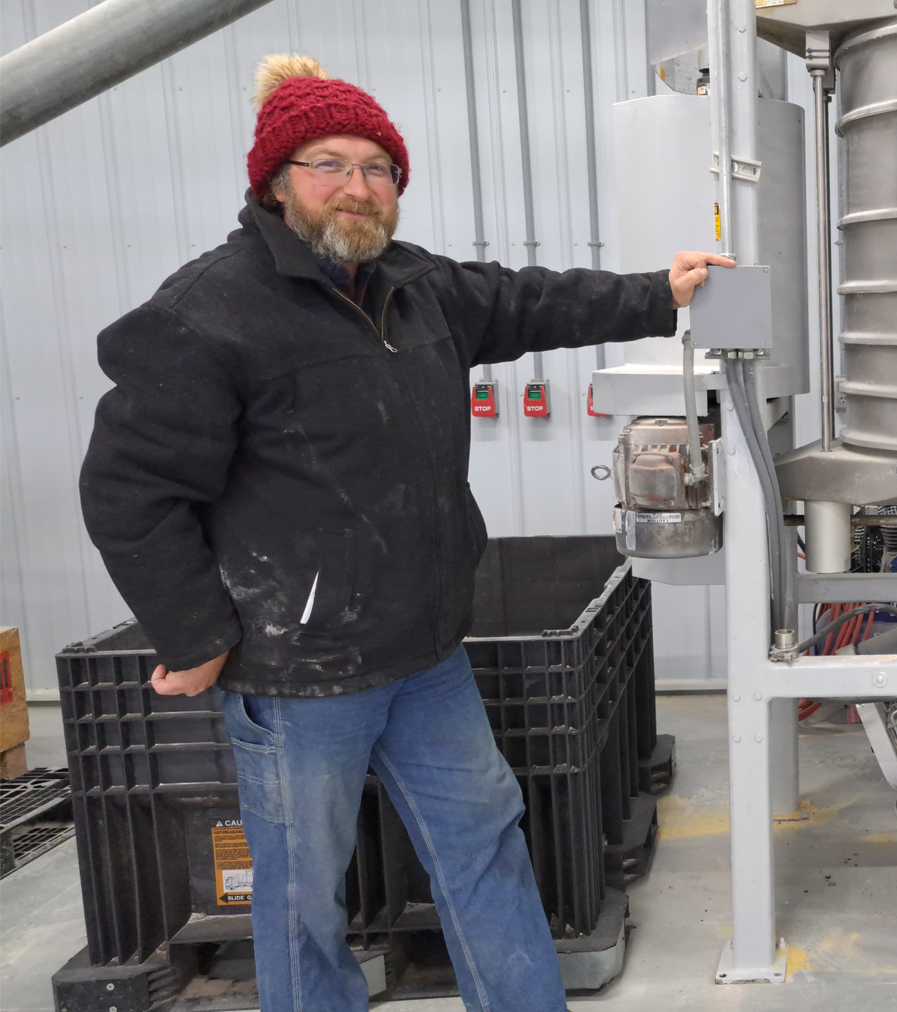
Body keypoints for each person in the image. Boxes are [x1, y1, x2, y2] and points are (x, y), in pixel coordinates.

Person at [77, 54, 730, 1012]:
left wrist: (656, 291)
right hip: (298, 673)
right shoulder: (206, 315)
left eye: (377, 167)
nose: (356, 186)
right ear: (273, 180)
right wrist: (195, 634)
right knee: (302, 900)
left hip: (427, 653)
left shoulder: (413, 285)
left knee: (484, 845)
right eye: (327, 163)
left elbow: (527, 299)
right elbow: (129, 491)